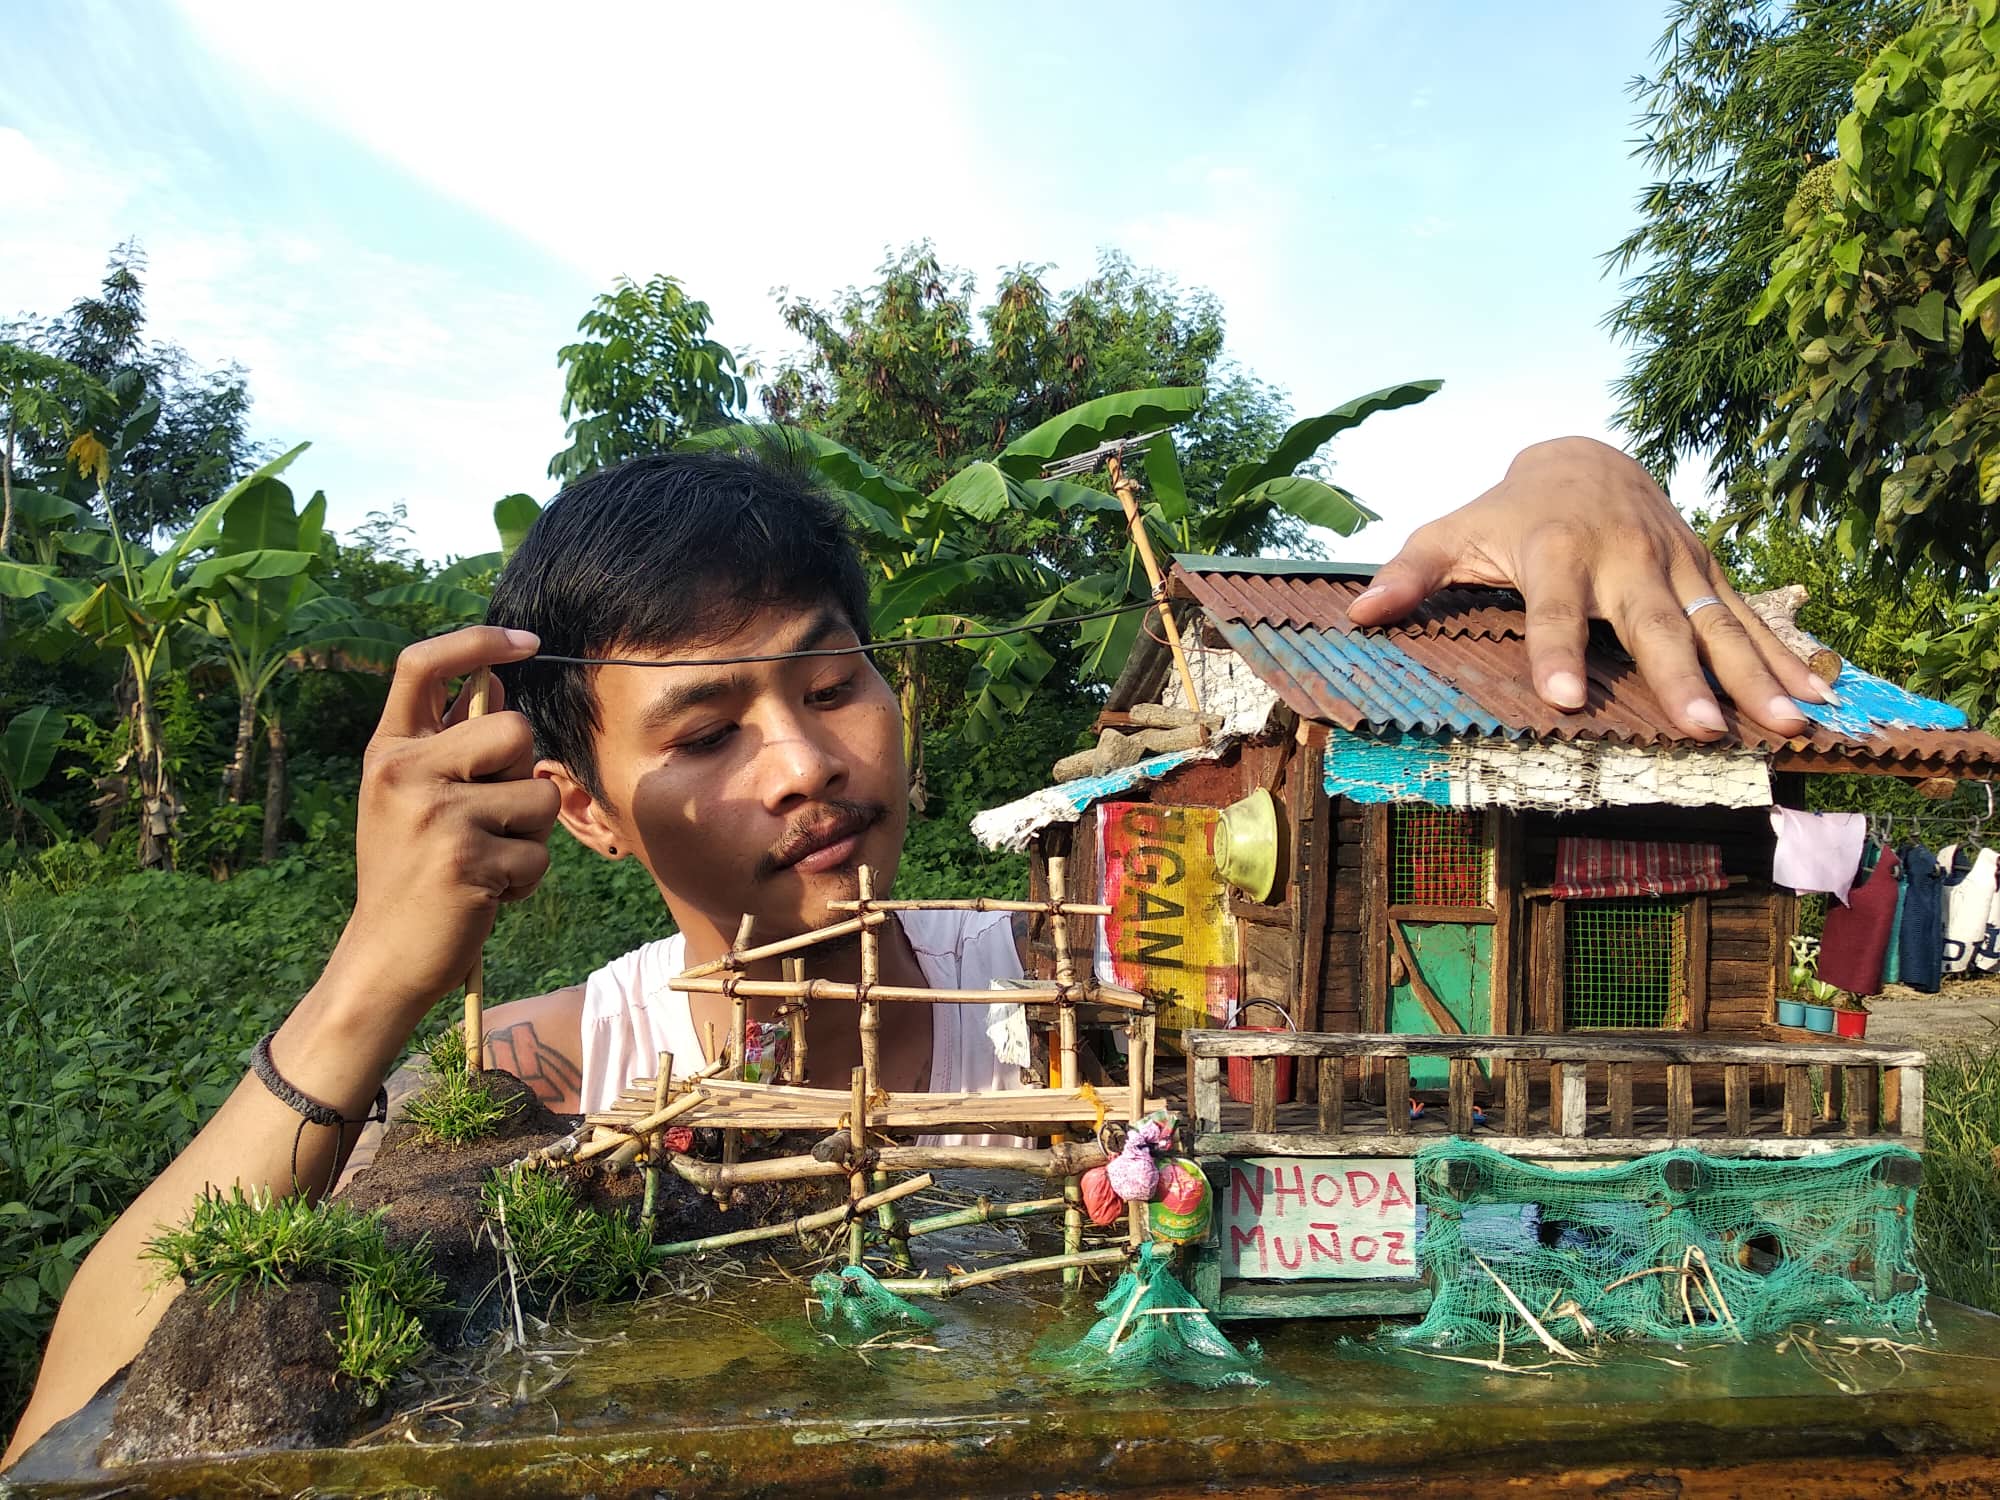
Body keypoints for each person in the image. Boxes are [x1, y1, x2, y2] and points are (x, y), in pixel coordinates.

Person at [3, 434, 1829, 1464]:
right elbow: (64, 1429)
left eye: (831, 685)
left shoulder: (1080, 998)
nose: (805, 764)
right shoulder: (553, 1076)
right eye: (706, 732)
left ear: (901, 698)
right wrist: (369, 978)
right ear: (581, 805)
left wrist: (1572, 474)